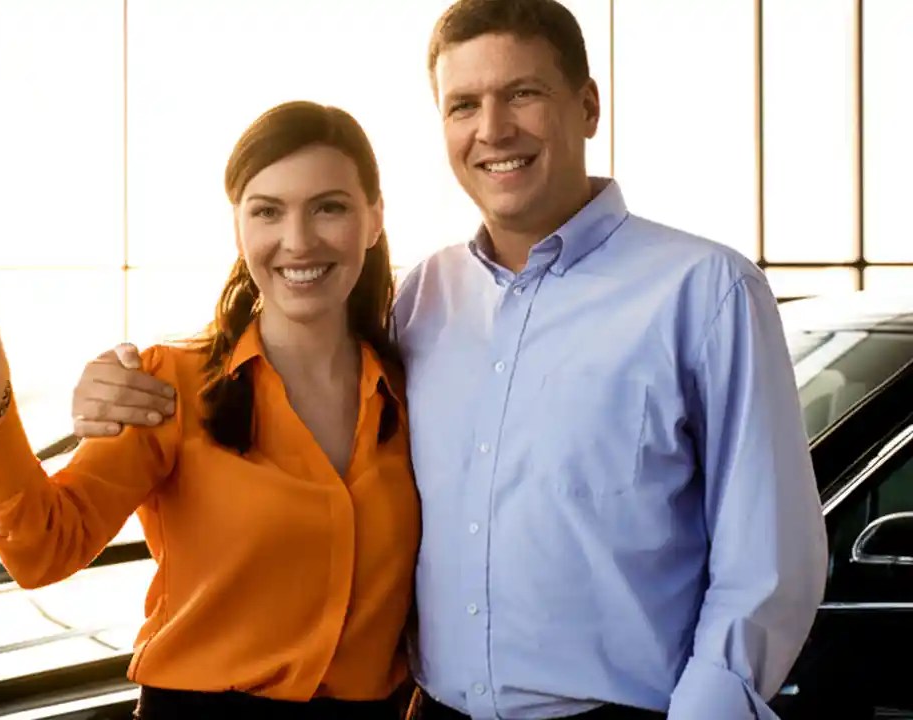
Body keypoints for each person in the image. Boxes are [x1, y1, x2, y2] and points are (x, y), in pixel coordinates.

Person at [65, 1, 830, 719]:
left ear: (588, 106)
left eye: (523, 93)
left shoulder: (704, 292)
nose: (492, 129)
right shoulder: (421, 299)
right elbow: (293, 371)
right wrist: (113, 387)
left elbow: (768, 568)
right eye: (463, 105)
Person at [0, 100, 420, 720]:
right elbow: (42, 550)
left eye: (329, 207)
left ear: (375, 218)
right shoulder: (172, 386)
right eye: (267, 211)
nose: (297, 241)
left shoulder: (416, 389)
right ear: (239, 227)